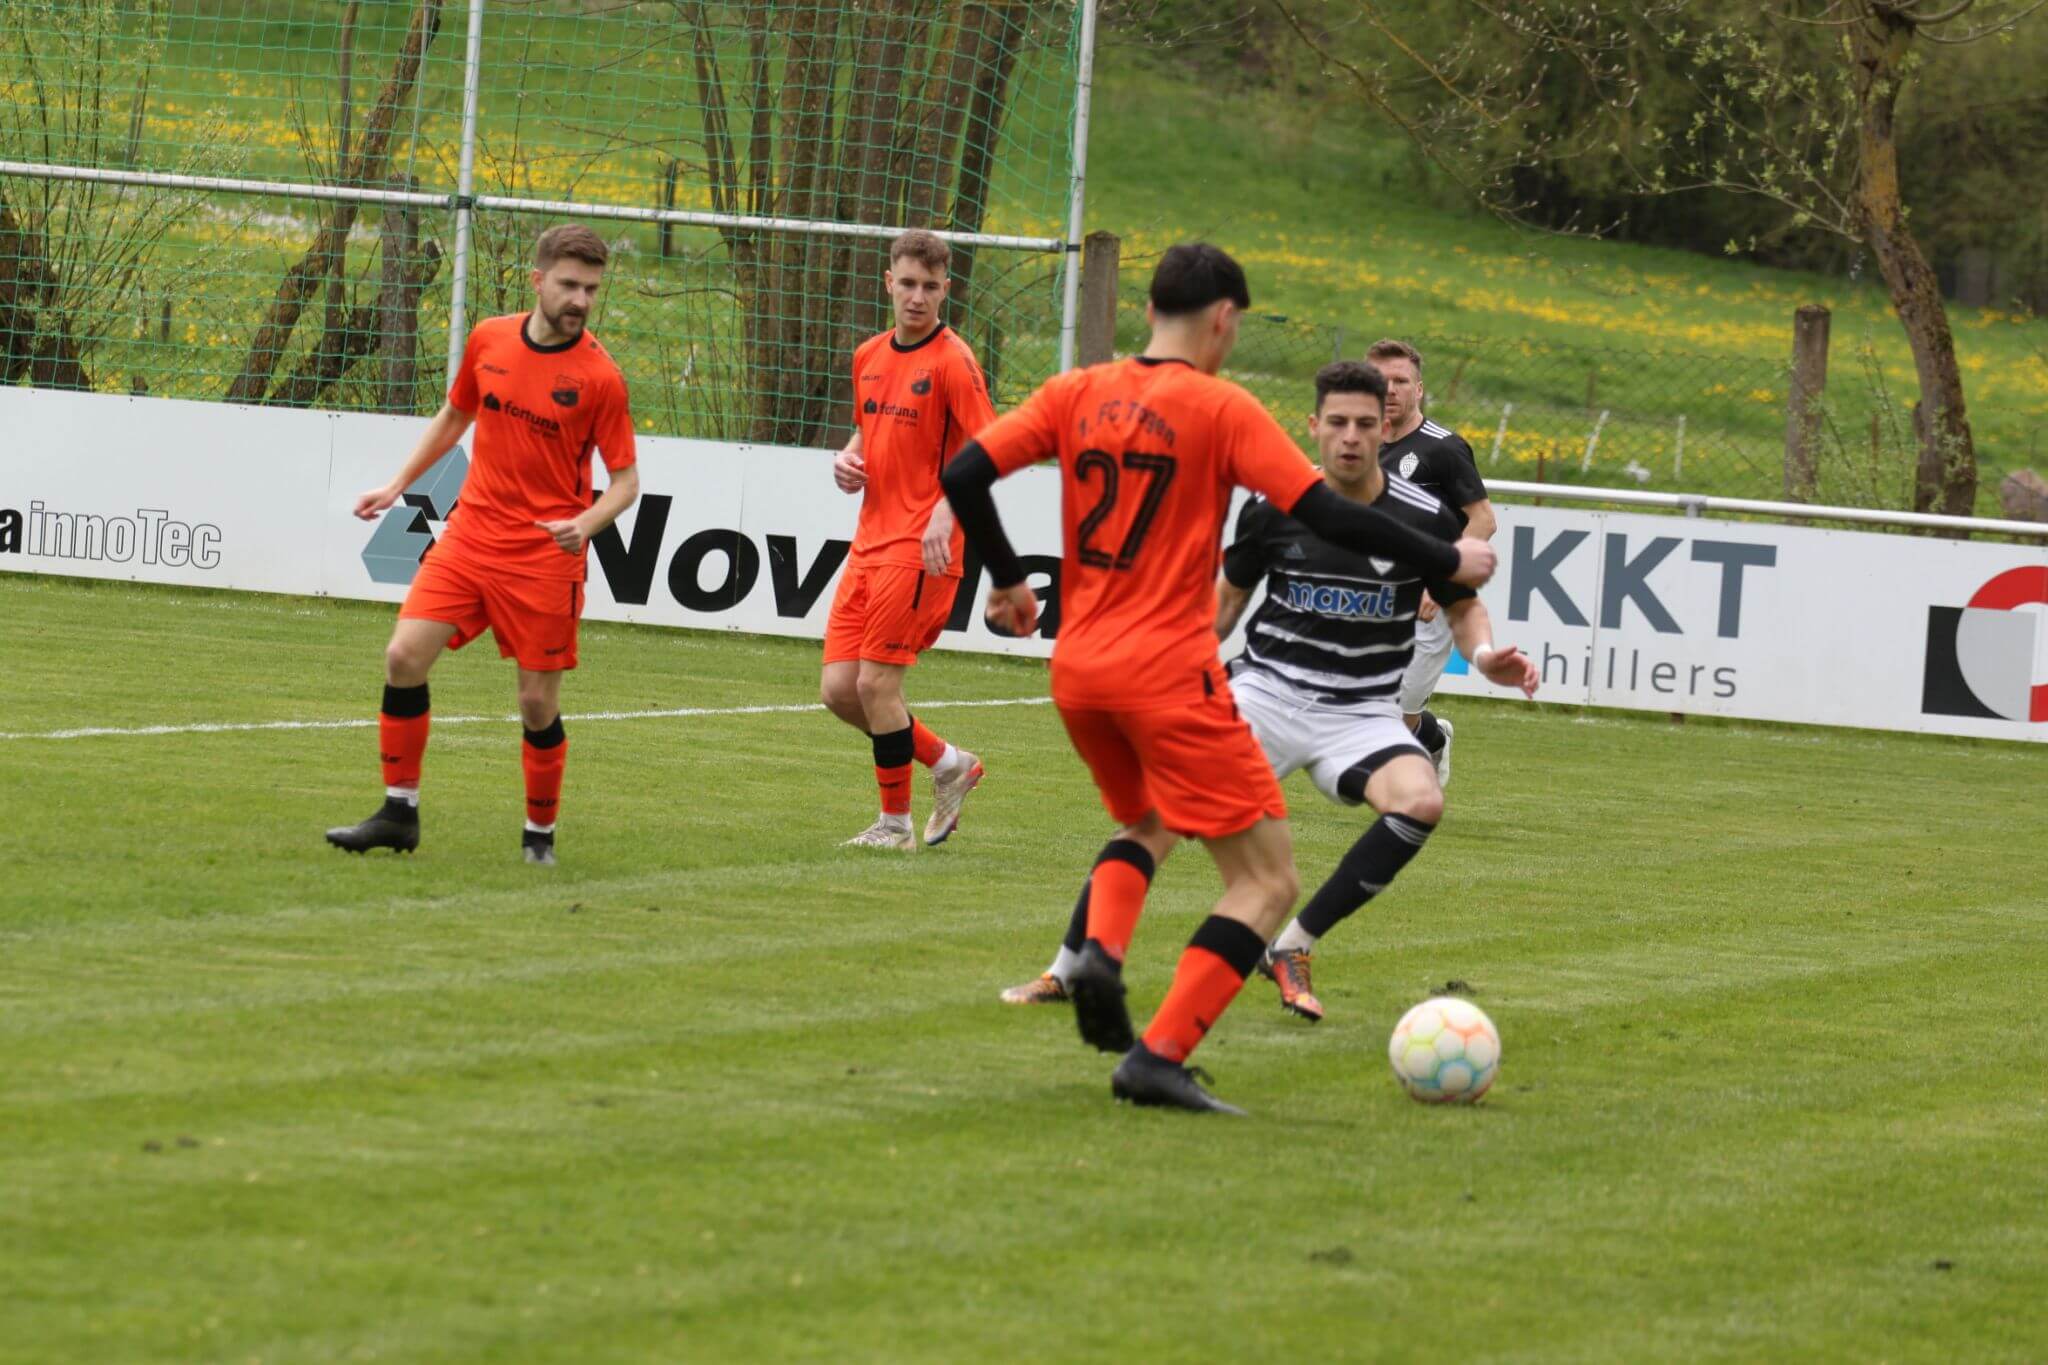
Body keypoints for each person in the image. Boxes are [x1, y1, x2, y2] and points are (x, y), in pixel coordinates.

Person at [941, 243, 1496, 1114]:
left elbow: (964, 472)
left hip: (1079, 669)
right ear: (1224, 320)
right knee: (1267, 882)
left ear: (1150, 308)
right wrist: (1448, 556)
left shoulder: (1074, 390)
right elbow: (1324, 510)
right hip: (1169, 671)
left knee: (1144, 821)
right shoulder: (1219, 407)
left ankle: (1095, 954)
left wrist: (1009, 580)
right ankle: (1154, 1053)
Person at [1001, 361, 1537, 1023]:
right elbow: (1224, 605)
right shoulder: (1275, 506)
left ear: (1385, 429)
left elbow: (1462, 606)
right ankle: (1066, 969)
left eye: (1364, 423)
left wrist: (1484, 655)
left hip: (1362, 712)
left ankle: (1293, 944)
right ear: (1313, 426)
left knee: (1421, 800)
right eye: (1337, 422)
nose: (1350, 436)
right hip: (1265, 696)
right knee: (1156, 817)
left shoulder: (1426, 516)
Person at [326, 224, 639, 865]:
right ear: (538, 280)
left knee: (535, 703)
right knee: (403, 657)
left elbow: (626, 483)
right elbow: (455, 415)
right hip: (470, 538)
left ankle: (538, 836)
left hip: (543, 559)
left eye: (591, 289)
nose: (580, 300)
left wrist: (585, 525)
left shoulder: (600, 378)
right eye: (569, 285)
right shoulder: (489, 339)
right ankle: (398, 812)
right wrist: (397, 484)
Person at [821, 229, 998, 851]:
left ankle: (893, 826)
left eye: (930, 286)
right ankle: (949, 763)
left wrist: (948, 513)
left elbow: (990, 449)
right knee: (840, 692)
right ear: (888, 283)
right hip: (870, 542)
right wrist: (847, 459)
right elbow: (866, 431)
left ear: (946, 289)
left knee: (876, 687)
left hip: (922, 547)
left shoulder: (953, 362)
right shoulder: (868, 354)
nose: (917, 297)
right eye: (907, 284)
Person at [1367, 339, 1496, 785]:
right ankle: (1431, 736)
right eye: (1380, 381)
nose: (1390, 390)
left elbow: (1483, 521)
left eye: (1400, 381)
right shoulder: (1362, 445)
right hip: (1376, 597)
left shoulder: (1444, 449)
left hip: (1429, 600)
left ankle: (1419, 756)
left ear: (1419, 389)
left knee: (1394, 717)